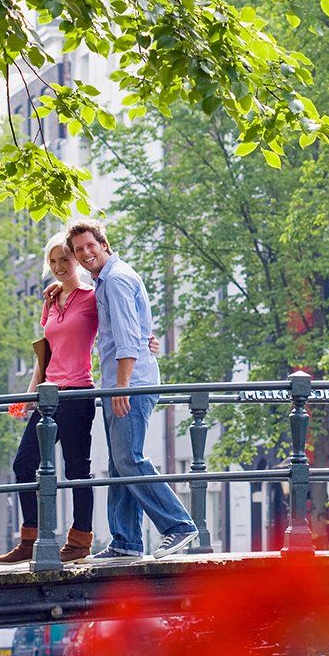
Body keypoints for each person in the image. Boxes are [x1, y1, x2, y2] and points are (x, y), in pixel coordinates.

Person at [66, 219, 200, 559]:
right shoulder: (106, 280)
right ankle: (125, 541)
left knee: (129, 459)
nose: (85, 253)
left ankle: (178, 526)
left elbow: (127, 339)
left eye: (89, 246)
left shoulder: (116, 280)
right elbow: (137, 333)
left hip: (129, 384)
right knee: (118, 463)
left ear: (103, 244)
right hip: (121, 382)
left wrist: (121, 387)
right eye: (79, 250)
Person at [0, 232, 102, 565]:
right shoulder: (51, 300)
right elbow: (45, 356)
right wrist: (23, 401)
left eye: (64, 260)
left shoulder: (93, 297)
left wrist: (148, 343)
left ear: (76, 261)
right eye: (52, 261)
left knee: (76, 469)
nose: (58, 267)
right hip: (48, 396)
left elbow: (122, 327)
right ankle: (30, 539)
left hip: (78, 394)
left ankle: (81, 540)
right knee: (23, 464)